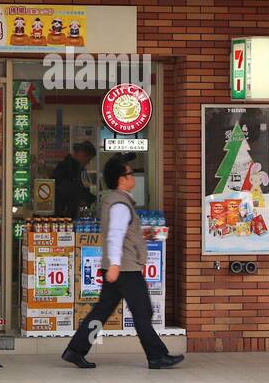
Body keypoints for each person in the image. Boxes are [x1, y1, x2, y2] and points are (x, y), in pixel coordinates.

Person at [62, 156, 182, 370]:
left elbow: (122, 233)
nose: (132, 177)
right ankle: (156, 356)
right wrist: (116, 265)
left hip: (119, 267)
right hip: (125, 268)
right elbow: (115, 235)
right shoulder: (120, 204)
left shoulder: (118, 200)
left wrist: (140, 237)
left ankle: (76, 350)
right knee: (142, 310)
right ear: (121, 179)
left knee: (102, 310)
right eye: (129, 174)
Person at [50, 141, 95, 219]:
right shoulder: (67, 168)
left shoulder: (74, 167)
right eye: (88, 159)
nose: (88, 163)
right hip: (63, 213)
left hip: (66, 212)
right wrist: (90, 198)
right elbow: (72, 188)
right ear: (82, 154)